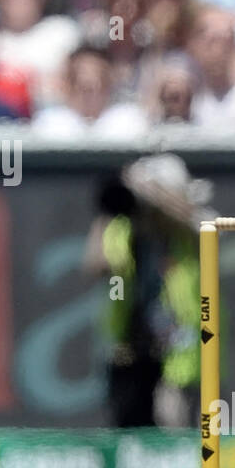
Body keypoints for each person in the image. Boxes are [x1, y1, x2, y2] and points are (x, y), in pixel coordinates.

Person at [85, 154, 214, 428]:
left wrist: (154, 194)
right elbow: (96, 264)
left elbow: (199, 224)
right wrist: (108, 209)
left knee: (172, 417)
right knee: (130, 422)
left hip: (178, 336)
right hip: (133, 339)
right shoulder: (122, 227)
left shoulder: (186, 229)